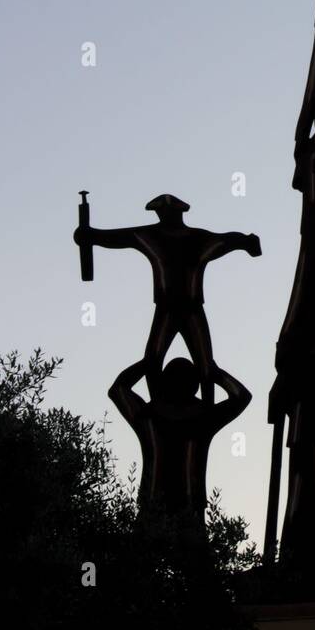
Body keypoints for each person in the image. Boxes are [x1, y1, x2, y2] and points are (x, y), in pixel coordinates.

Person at [74, 194, 261, 402]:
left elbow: (227, 240)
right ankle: (161, 404)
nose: (162, 217)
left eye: (163, 213)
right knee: (165, 360)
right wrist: (93, 236)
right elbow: (120, 237)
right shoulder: (157, 236)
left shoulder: (181, 238)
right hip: (173, 308)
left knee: (197, 363)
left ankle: (199, 407)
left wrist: (246, 242)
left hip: (185, 308)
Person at [109, 356, 251, 527]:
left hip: (165, 506)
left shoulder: (148, 416)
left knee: (150, 548)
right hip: (179, 508)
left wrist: (148, 362)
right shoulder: (202, 418)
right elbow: (241, 396)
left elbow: (118, 389)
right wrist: (213, 371)